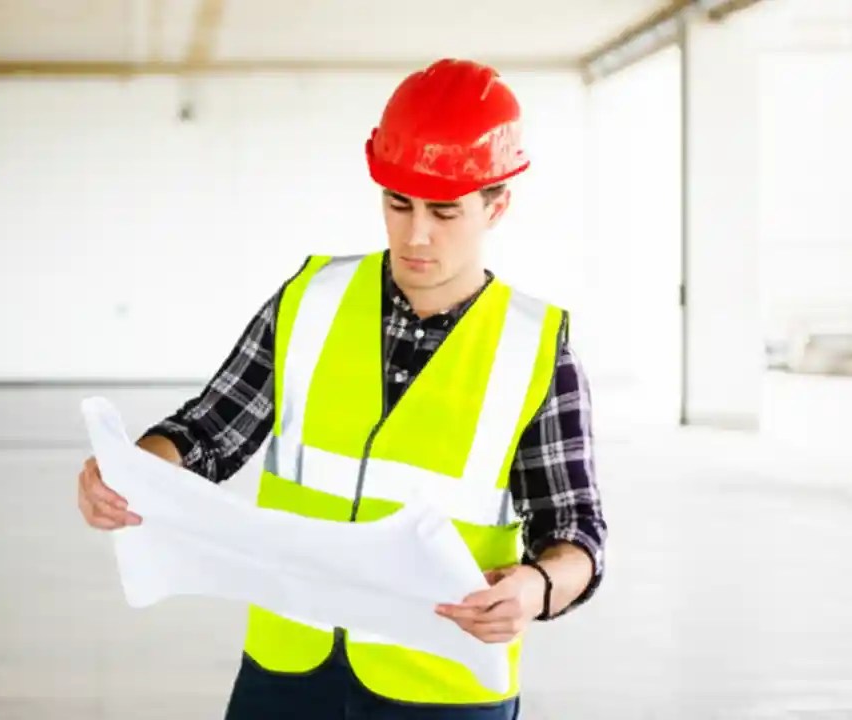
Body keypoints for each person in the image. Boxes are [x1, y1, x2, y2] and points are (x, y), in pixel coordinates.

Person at [76, 58, 607, 720]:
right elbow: (209, 430)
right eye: (397, 203)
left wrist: (536, 586)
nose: (416, 234)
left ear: (497, 205)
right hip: (288, 666)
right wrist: (132, 472)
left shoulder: (535, 350)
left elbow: (575, 531)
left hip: (439, 681)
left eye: (445, 212)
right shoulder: (311, 301)